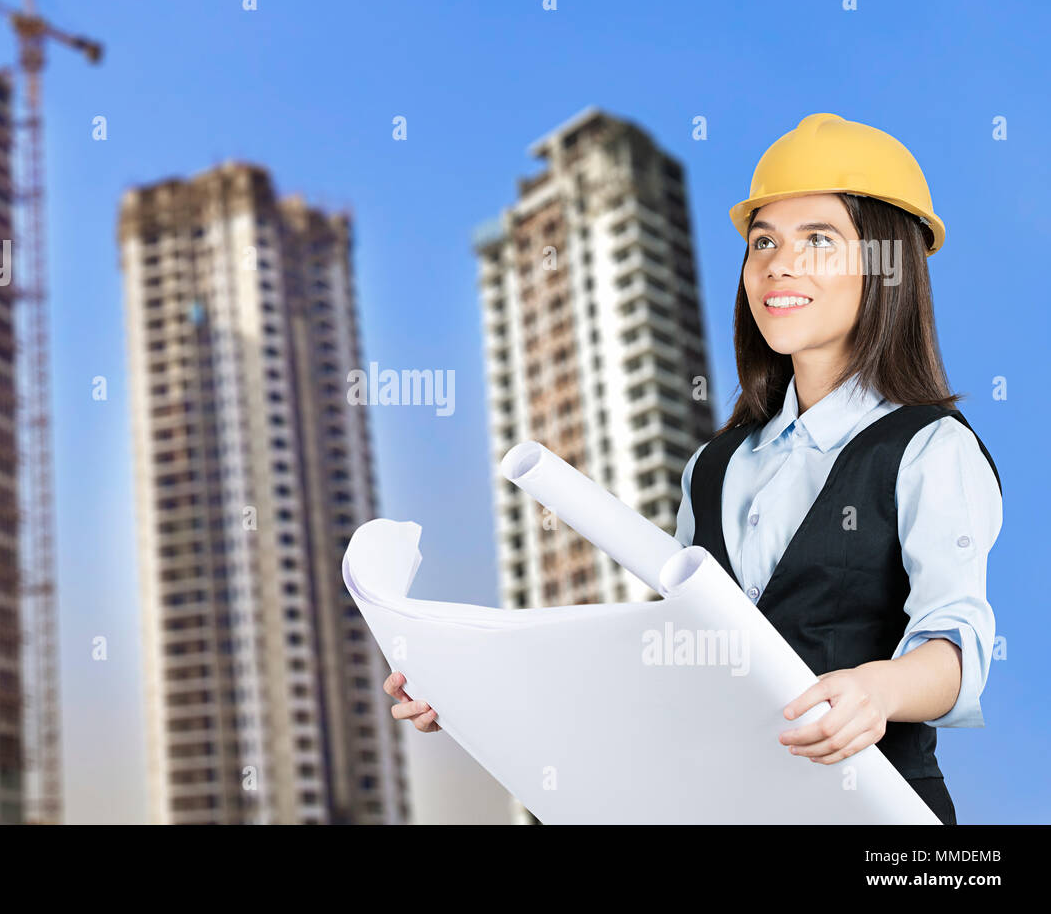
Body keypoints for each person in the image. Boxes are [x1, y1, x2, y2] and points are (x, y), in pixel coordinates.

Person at [384, 113, 1001, 825]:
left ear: (889, 264)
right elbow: (673, 663)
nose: (778, 264)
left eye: (819, 240)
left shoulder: (930, 449)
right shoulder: (715, 467)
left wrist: (880, 691)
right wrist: (472, 694)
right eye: (762, 241)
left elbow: (955, 645)